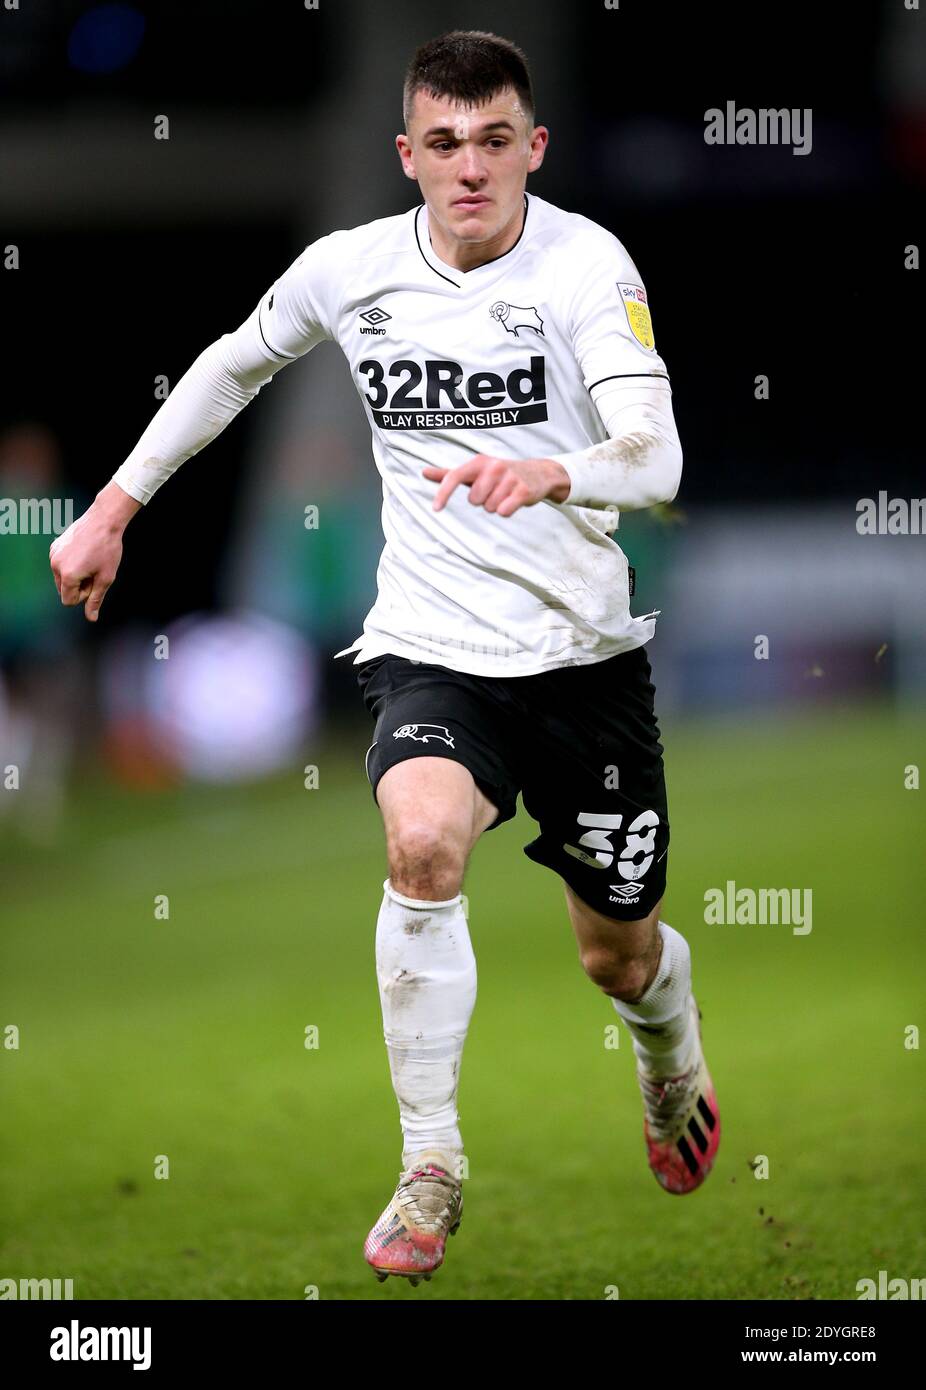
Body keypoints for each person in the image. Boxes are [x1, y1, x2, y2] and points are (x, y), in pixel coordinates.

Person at [49, 29, 720, 1287]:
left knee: (615, 953)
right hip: (430, 646)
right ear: (407, 153)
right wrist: (112, 506)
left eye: (493, 141)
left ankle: (667, 1052)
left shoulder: (585, 266)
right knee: (419, 847)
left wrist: (553, 466)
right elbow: (232, 364)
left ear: (534, 145)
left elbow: (657, 456)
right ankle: (430, 1164)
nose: (471, 168)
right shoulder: (348, 269)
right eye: (445, 145)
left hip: (581, 663)